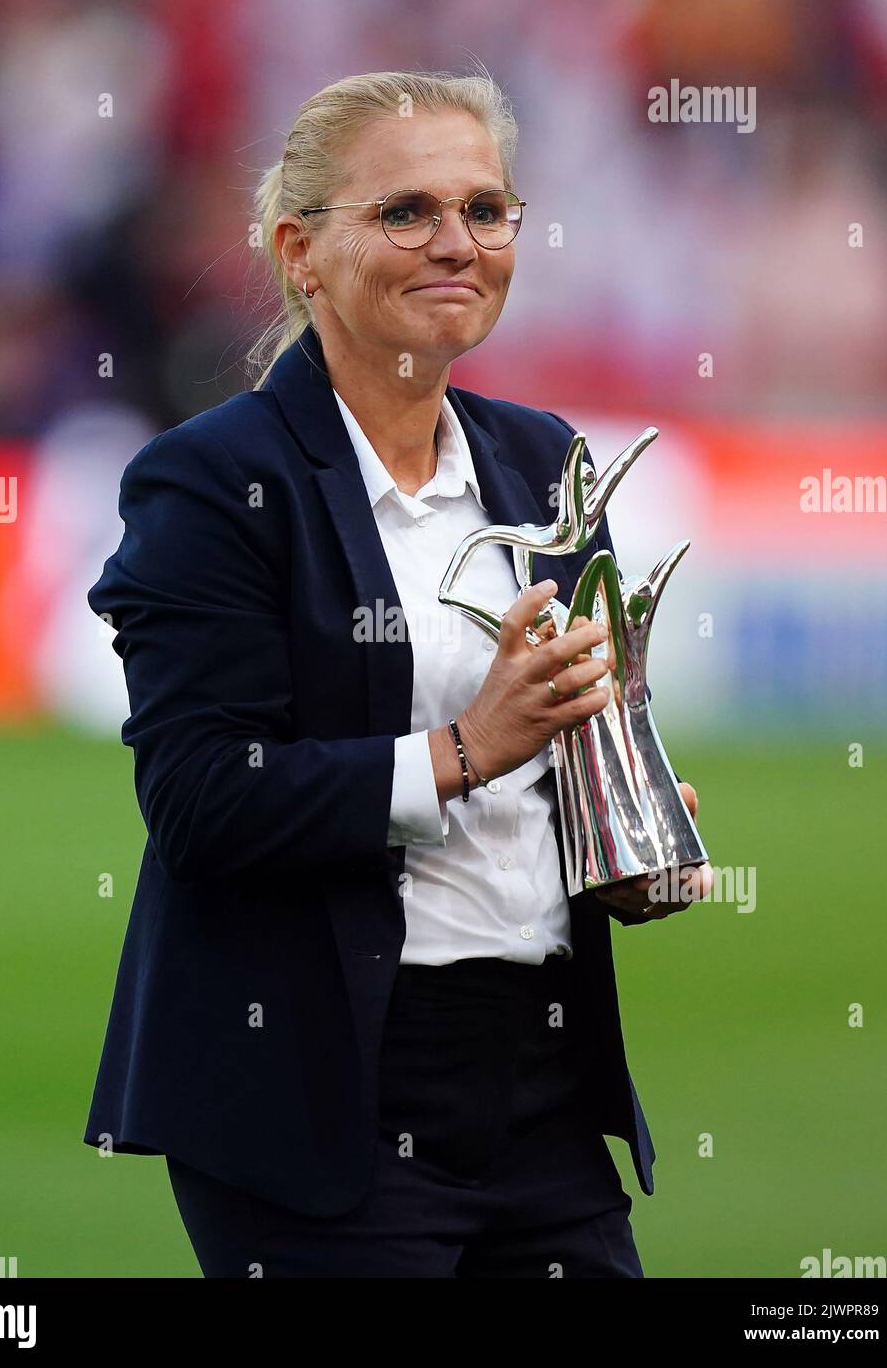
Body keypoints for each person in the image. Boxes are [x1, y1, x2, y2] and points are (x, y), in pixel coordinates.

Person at [83, 68, 713, 1278]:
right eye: (406, 212)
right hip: (320, 1101)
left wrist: (627, 839)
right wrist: (465, 750)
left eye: (487, 209)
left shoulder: (547, 463)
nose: (457, 243)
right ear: (300, 250)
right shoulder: (211, 481)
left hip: (543, 1087)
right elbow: (203, 797)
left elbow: (581, 744)